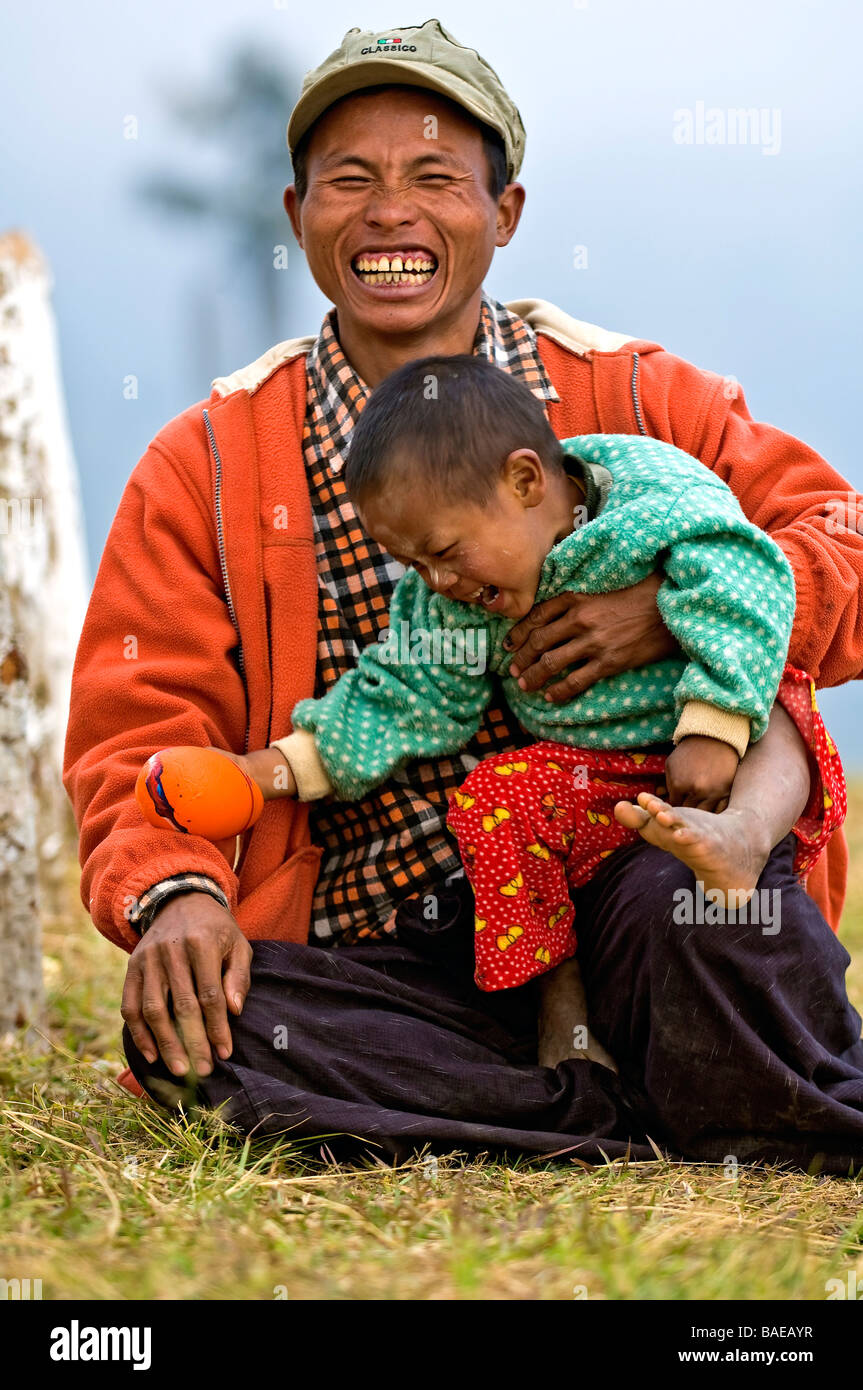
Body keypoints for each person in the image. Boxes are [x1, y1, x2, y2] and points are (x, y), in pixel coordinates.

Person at [63, 20, 863, 1169]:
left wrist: (665, 604)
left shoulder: (634, 397)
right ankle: (630, 1103)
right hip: (391, 949)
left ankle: (580, 1093)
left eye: (435, 177)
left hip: (632, 883)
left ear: (506, 214)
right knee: (203, 1036)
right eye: (351, 180)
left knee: (700, 903)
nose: (391, 213)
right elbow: (136, 725)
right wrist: (172, 893)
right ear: (297, 219)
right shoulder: (206, 463)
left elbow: (838, 538)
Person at [141, 352, 843, 1070]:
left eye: (445, 553)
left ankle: (743, 839)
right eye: (414, 565)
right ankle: (560, 1011)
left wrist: (708, 716)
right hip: (592, 777)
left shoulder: (651, 496)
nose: (437, 580)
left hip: (718, 745)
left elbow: (748, 575)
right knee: (497, 799)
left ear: (526, 481)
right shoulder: (455, 594)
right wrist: (271, 771)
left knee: (779, 690)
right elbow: (407, 695)